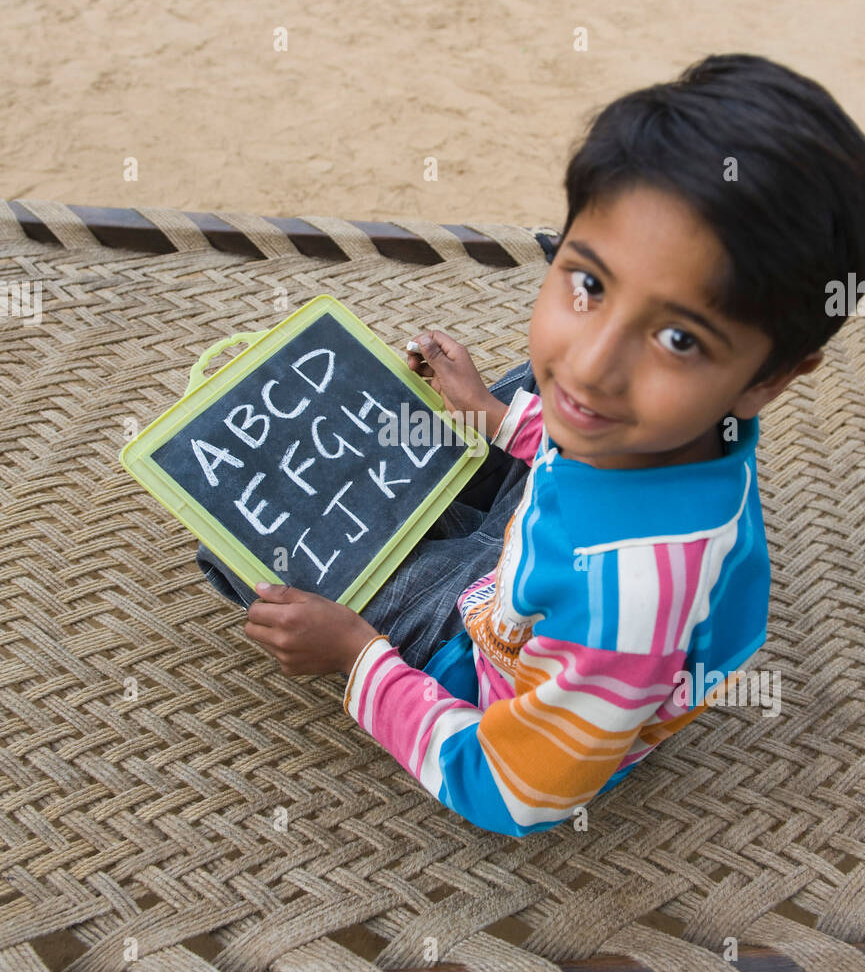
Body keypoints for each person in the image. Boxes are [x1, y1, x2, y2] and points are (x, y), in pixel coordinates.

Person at [202, 53, 865, 837]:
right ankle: (483, 481)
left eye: (679, 337)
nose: (591, 363)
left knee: (243, 546)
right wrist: (489, 412)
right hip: (543, 571)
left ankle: (413, 573)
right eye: (587, 284)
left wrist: (356, 656)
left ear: (770, 378)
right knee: (545, 396)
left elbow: (519, 794)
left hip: (491, 661)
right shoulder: (687, 426)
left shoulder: (627, 600)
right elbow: (568, 444)